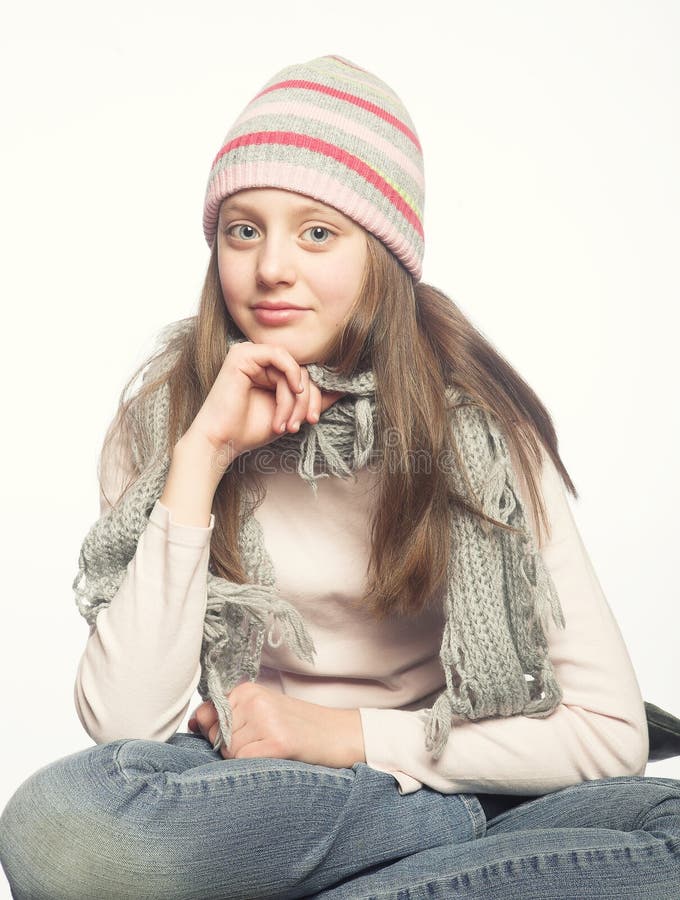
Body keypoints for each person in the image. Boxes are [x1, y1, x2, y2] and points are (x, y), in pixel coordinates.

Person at [1, 53, 678, 900]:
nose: (271, 267)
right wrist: (202, 455)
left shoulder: (480, 435)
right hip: (272, 798)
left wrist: (345, 734)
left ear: (381, 257)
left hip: (452, 762)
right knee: (56, 825)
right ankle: (435, 850)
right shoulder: (169, 424)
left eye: (317, 231)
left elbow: (609, 736)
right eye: (244, 229)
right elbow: (123, 724)